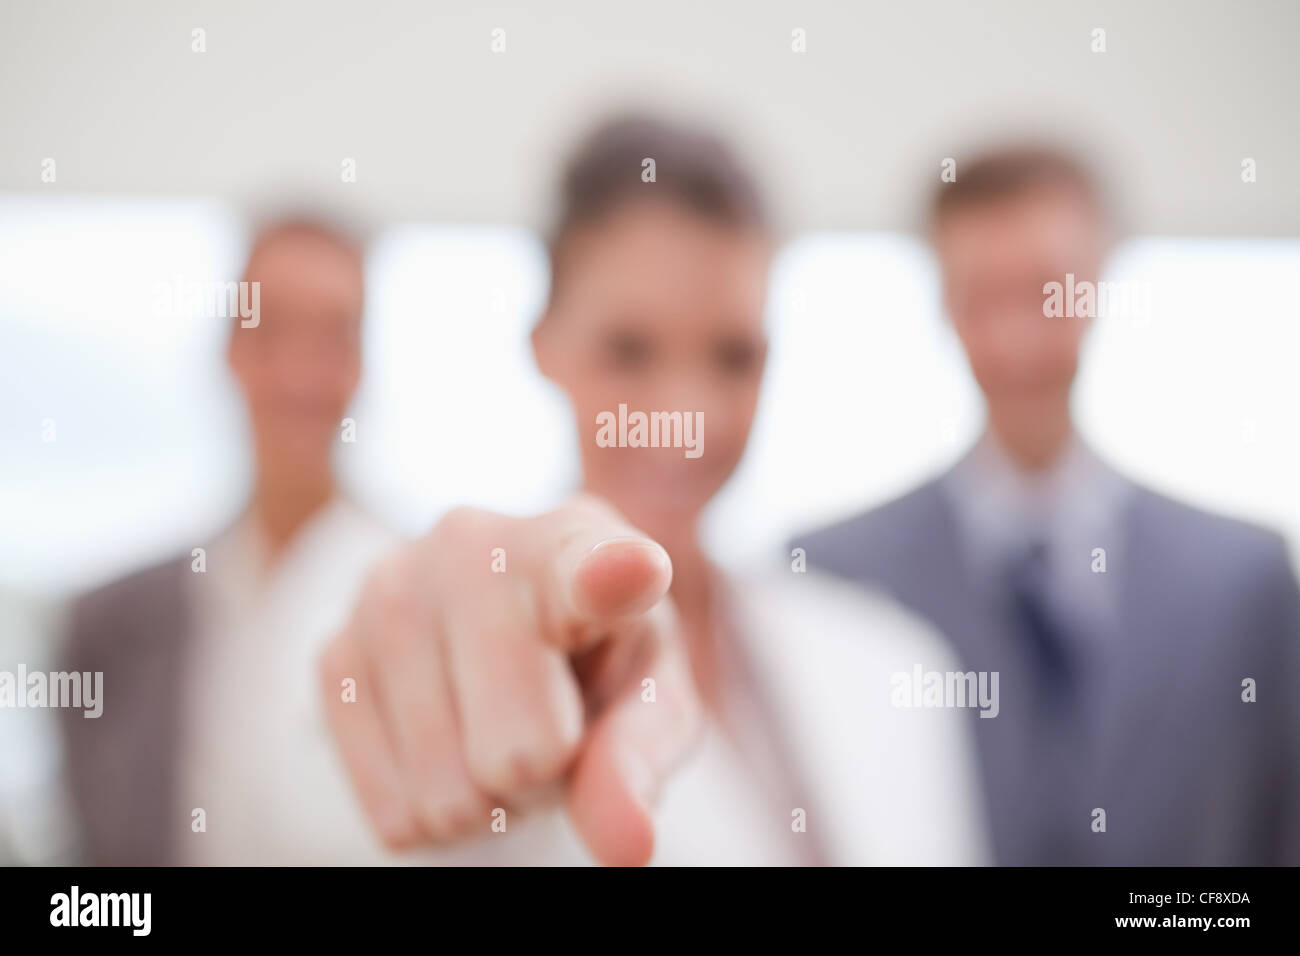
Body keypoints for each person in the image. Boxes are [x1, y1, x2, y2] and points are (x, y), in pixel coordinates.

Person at [317, 115, 989, 866]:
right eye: (628, 352)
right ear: (542, 345)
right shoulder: (443, 643)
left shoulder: (896, 667)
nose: (683, 418)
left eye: (733, 358)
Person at [797, 145, 1300, 865]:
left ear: (1097, 287)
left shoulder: (1244, 581)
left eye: (1045, 291)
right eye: (981, 297)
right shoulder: (832, 577)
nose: (1014, 340)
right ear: (942, 303)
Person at [59, 214, 398, 864]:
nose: (300, 374)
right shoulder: (109, 627)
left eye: (334, 336)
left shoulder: (423, 598)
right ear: (229, 352)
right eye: (269, 331)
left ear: (361, 364)